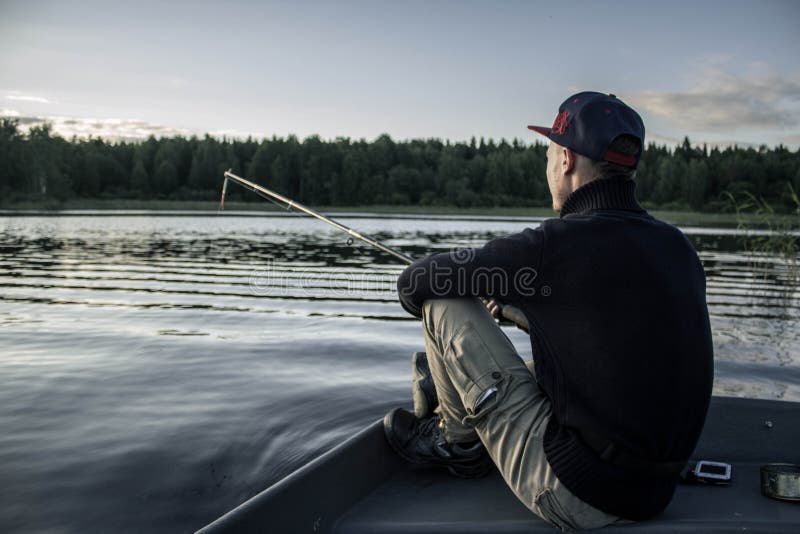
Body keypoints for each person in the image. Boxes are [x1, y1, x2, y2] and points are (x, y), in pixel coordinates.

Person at [384, 91, 714, 530]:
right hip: (654, 492)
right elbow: (609, 328)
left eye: (547, 152)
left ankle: (456, 442)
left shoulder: (552, 246)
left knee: (444, 302)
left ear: (565, 159)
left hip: (579, 493)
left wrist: (485, 294)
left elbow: (416, 283)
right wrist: (519, 310)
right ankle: (451, 399)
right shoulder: (677, 246)